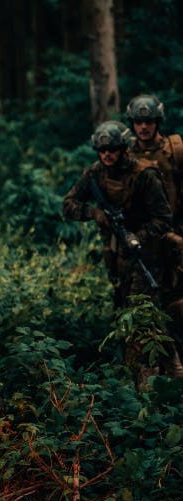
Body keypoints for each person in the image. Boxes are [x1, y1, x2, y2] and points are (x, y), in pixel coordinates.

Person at [63, 121, 183, 379]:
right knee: (126, 310)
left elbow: (163, 219)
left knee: (142, 314)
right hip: (116, 257)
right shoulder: (95, 174)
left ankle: (151, 377)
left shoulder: (144, 174)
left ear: (123, 148)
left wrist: (137, 237)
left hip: (148, 255)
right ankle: (166, 364)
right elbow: (69, 204)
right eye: (102, 150)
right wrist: (94, 213)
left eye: (113, 149)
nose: (107, 154)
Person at [125, 94, 183, 377]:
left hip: (174, 238)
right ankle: (143, 373)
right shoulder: (125, 154)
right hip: (139, 242)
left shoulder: (174, 150)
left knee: (176, 303)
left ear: (157, 121)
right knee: (136, 304)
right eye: (138, 121)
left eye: (148, 121)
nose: (143, 127)